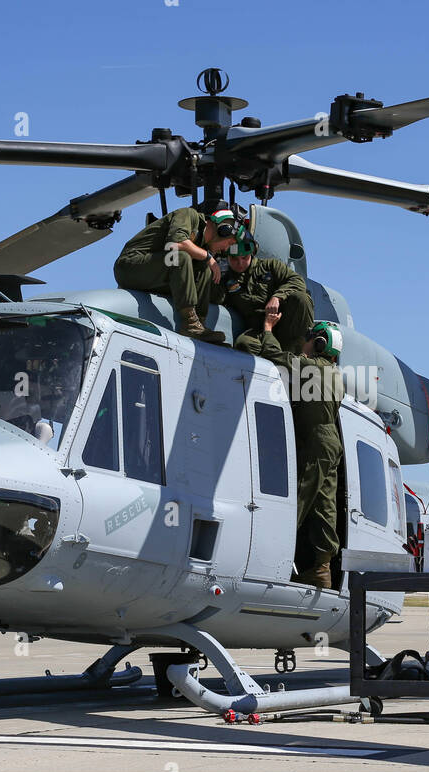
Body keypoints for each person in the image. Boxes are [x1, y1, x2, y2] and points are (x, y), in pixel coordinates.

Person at [237, 311, 345, 590]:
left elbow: (276, 356)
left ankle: (272, 560)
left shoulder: (314, 369)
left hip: (317, 440)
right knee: (324, 507)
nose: (305, 345)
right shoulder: (335, 374)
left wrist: (268, 328)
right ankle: (321, 570)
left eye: (310, 340)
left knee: (296, 498)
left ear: (319, 344)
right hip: (330, 443)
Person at [113, 206, 239, 343]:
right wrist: (208, 257)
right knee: (180, 257)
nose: (226, 248)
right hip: (130, 267)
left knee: (203, 267)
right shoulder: (189, 215)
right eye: (230, 242)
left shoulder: (202, 246)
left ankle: (199, 324)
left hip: (156, 274)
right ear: (223, 230)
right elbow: (176, 243)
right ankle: (189, 323)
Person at [221, 230, 315, 352]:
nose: (240, 263)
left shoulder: (270, 266)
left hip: (285, 326)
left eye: (244, 257)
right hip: (259, 330)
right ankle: (273, 355)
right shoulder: (226, 279)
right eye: (234, 259)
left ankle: (296, 353)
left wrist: (277, 297)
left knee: (301, 298)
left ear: (252, 252)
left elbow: (297, 281)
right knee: (244, 344)